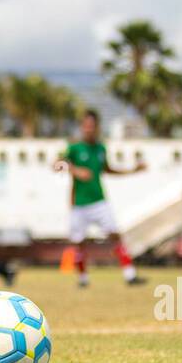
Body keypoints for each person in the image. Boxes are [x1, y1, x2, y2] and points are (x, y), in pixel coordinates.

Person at [53, 110, 147, 287]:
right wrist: (75, 170)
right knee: (79, 242)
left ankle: (130, 275)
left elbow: (108, 169)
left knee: (115, 235)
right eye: (85, 125)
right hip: (78, 204)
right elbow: (56, 165)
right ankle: (83, 279)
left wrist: (133, 170)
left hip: (99, 201)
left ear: (96, 127)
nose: (88, 129)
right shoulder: (73, 148)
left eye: (92, 125)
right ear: (82, 127)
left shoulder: (100, 148)